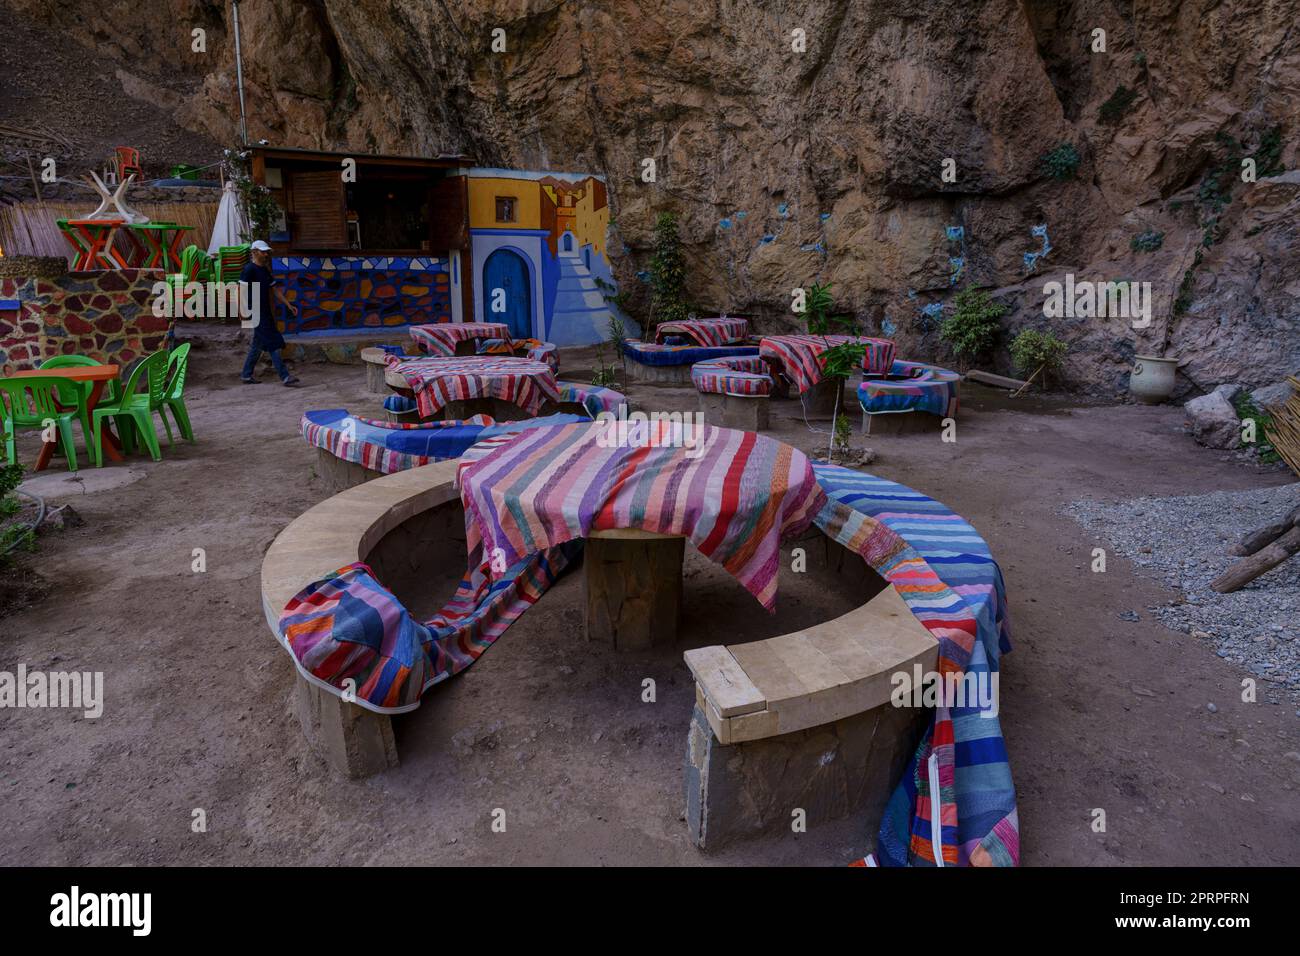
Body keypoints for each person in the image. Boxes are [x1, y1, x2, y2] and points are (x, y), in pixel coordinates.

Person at [239, 239, 301, 386]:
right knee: (274, 342)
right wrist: (241, 310)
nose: (266, 254)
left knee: (257, 344)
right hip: (255, 311)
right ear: (254, 252)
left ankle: (246, 375)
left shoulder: (265, 270)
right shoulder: (249, 269)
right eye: (263, 251)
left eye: (266, 251)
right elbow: (240, 290)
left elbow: (275, 290)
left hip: (265, 311)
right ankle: (285, 376)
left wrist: (288, 304)